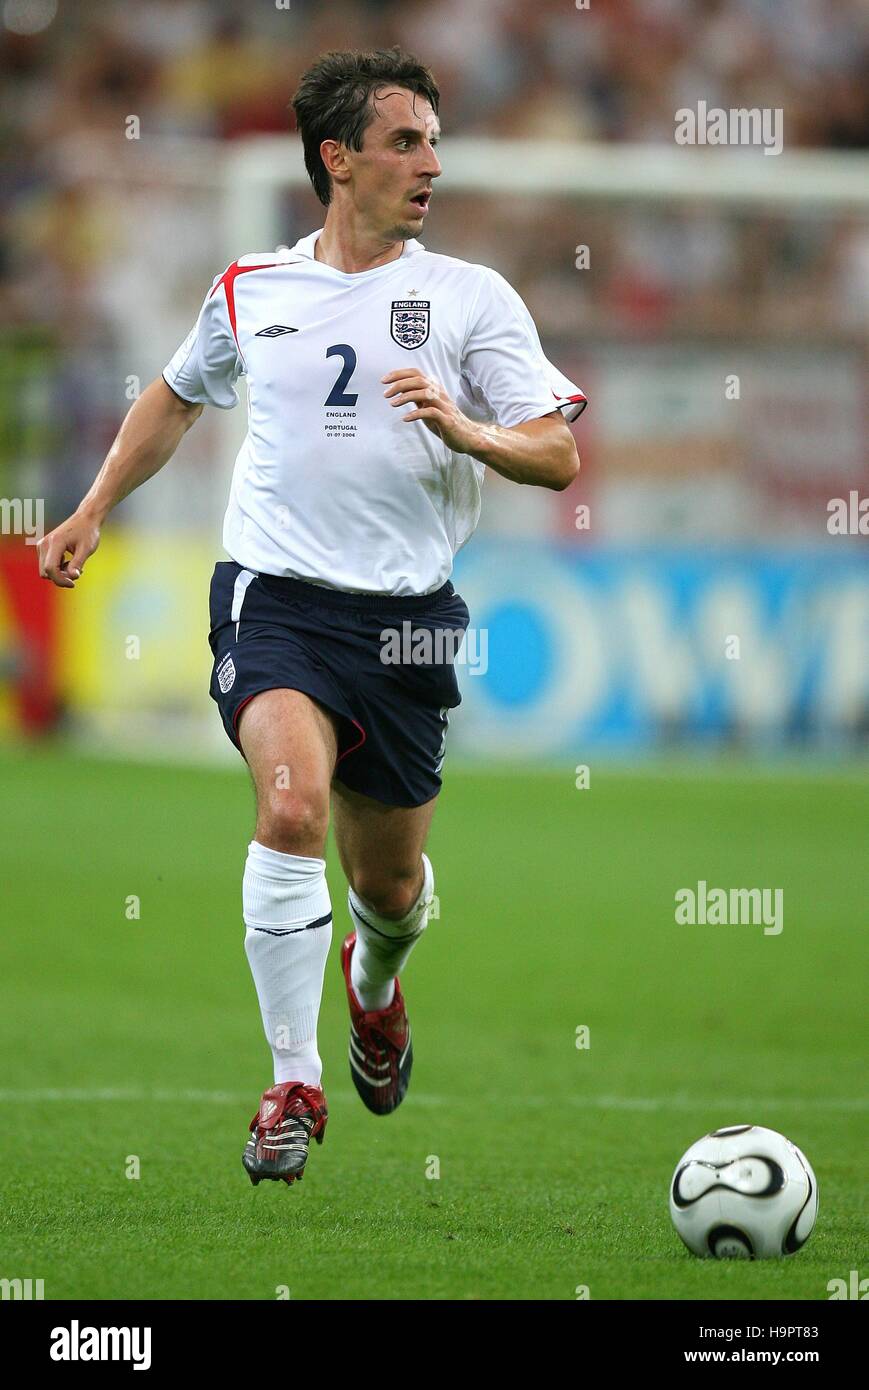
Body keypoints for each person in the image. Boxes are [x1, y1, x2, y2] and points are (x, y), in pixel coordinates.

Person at [38, 46, 586, 1188]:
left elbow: (555, 448)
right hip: (275, 599)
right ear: (337, 159)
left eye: (434, 140)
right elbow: (178, 394)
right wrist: (92, 506)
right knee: (286, 809)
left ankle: (373, 985)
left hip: (410, 623)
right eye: (404, 141)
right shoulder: (251, 288)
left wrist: (469, 432)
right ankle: (291, 1082)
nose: (430, 161)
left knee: (388, 891)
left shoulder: (469, 296)